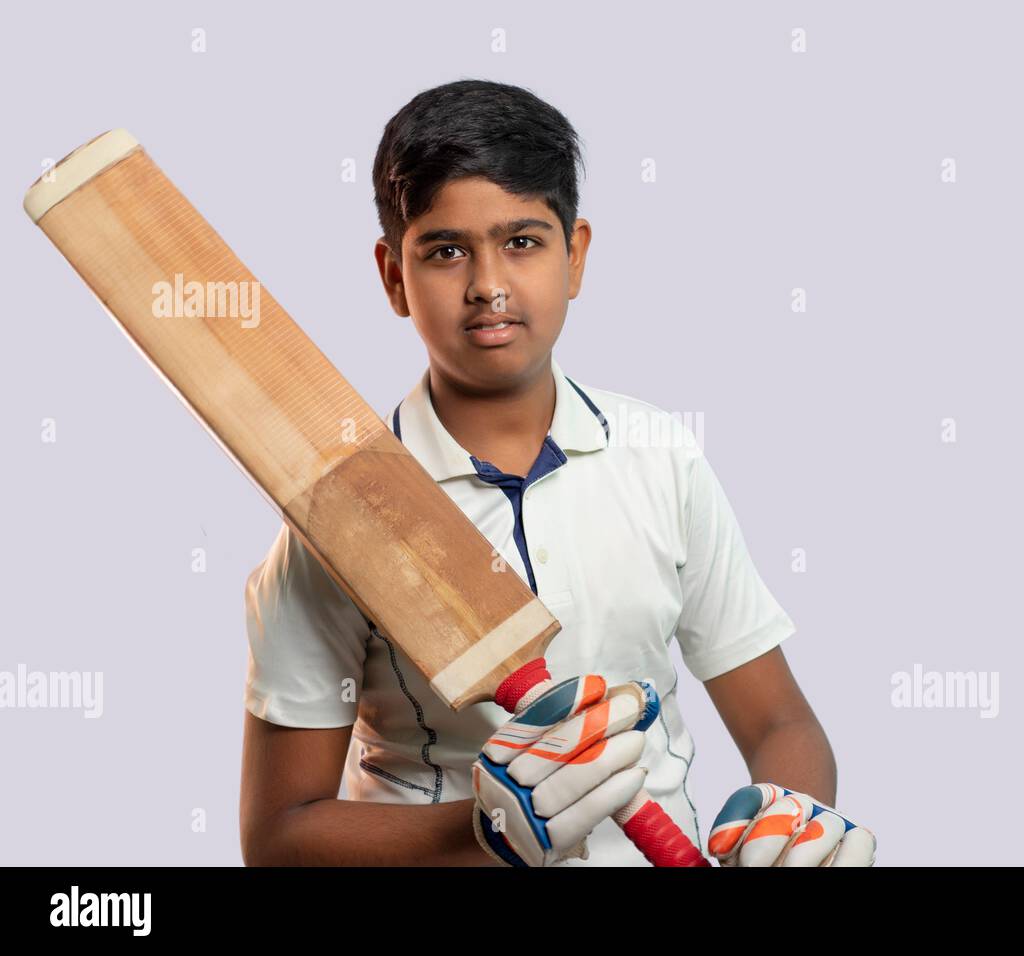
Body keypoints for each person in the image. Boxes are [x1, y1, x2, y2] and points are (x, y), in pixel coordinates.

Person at [239, 79, 874, 867]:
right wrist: (481, 829)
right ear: (393, 275)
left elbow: (781, 722)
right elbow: (279, 838)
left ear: (575, 256)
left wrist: (793, 820)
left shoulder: (660, 457)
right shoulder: (338, 516)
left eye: (522, 242)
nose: (488, 285)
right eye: (445, 251)